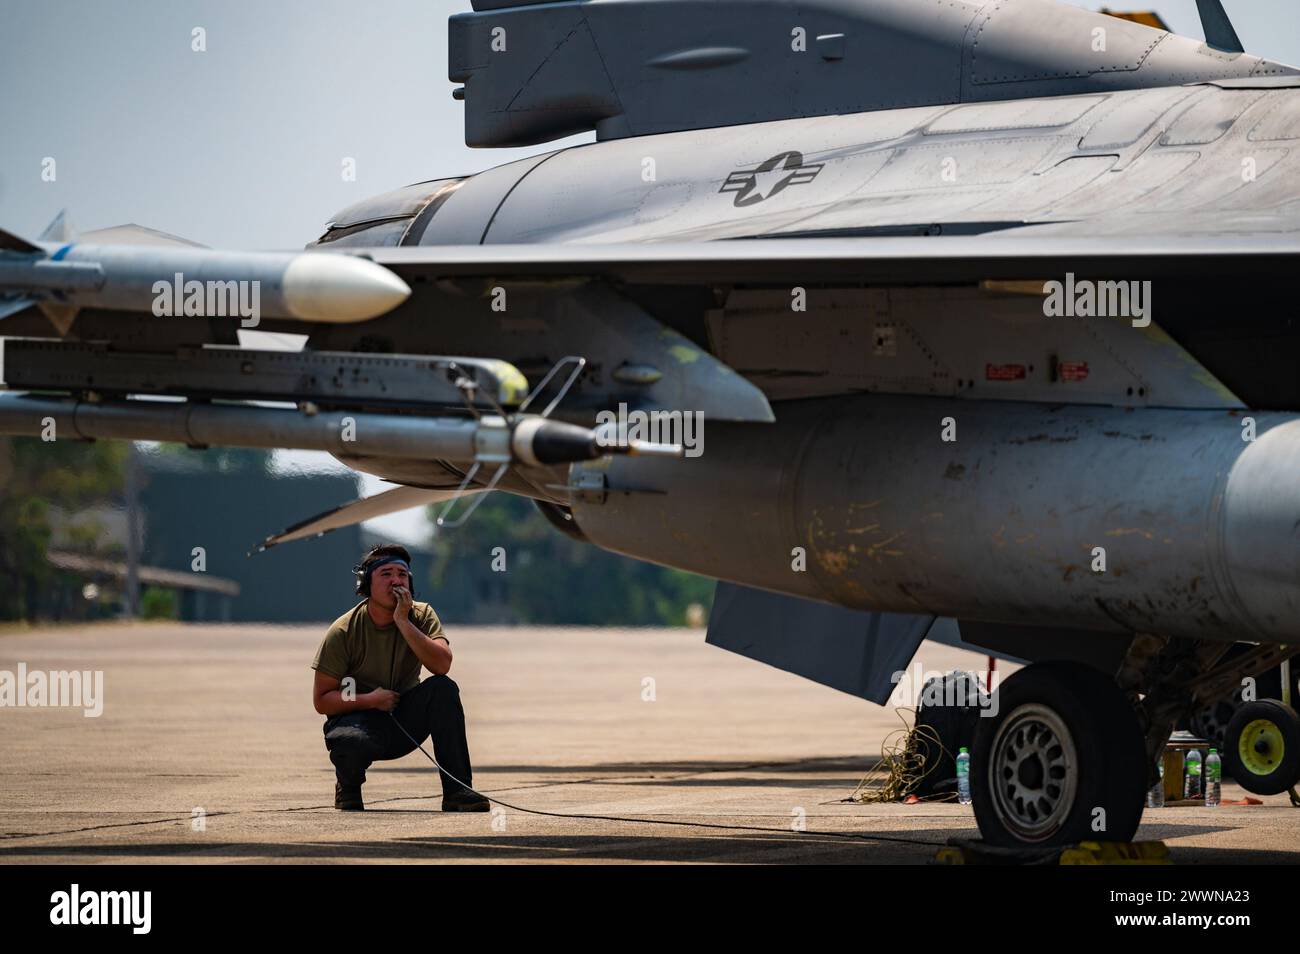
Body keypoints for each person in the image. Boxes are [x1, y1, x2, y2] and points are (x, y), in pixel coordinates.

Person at [310, 543, 490, 812]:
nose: (396, 581)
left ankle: (457, 790)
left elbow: (442, 664)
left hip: (404, 720)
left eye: (402, 574)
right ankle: (347, 787)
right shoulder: (344, 630)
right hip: (360, 722)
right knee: (350, 741)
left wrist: (403, 622)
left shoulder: (421, 615)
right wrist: (370, 700)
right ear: (366, 583)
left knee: (443, 689)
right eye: (385, 574)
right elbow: (323, 700)